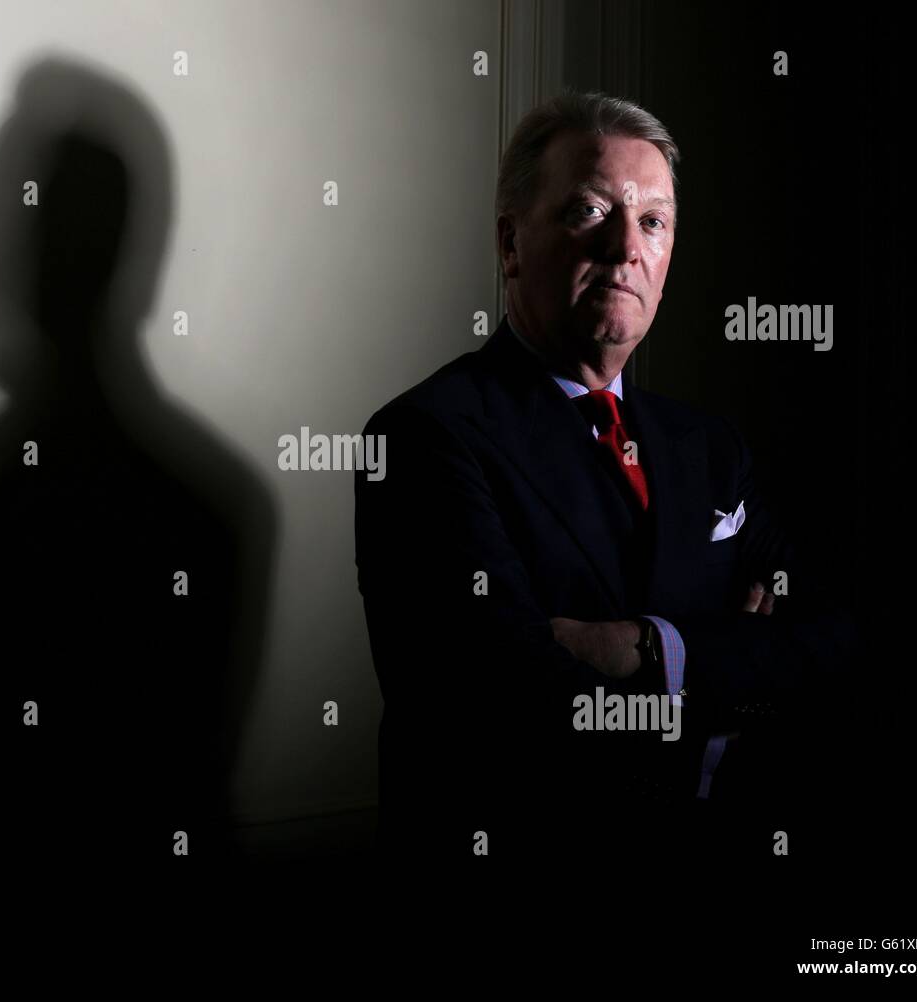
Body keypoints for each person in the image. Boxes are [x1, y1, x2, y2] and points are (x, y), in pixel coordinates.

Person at [354, 91, 858, 865]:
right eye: (590, 211)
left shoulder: (711, 448)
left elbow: (838, 639)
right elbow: (515, 709)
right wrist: (738, 662)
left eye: (653, 221)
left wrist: (652, 651)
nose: (628, 245)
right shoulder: (423, 437)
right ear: (510, 243)